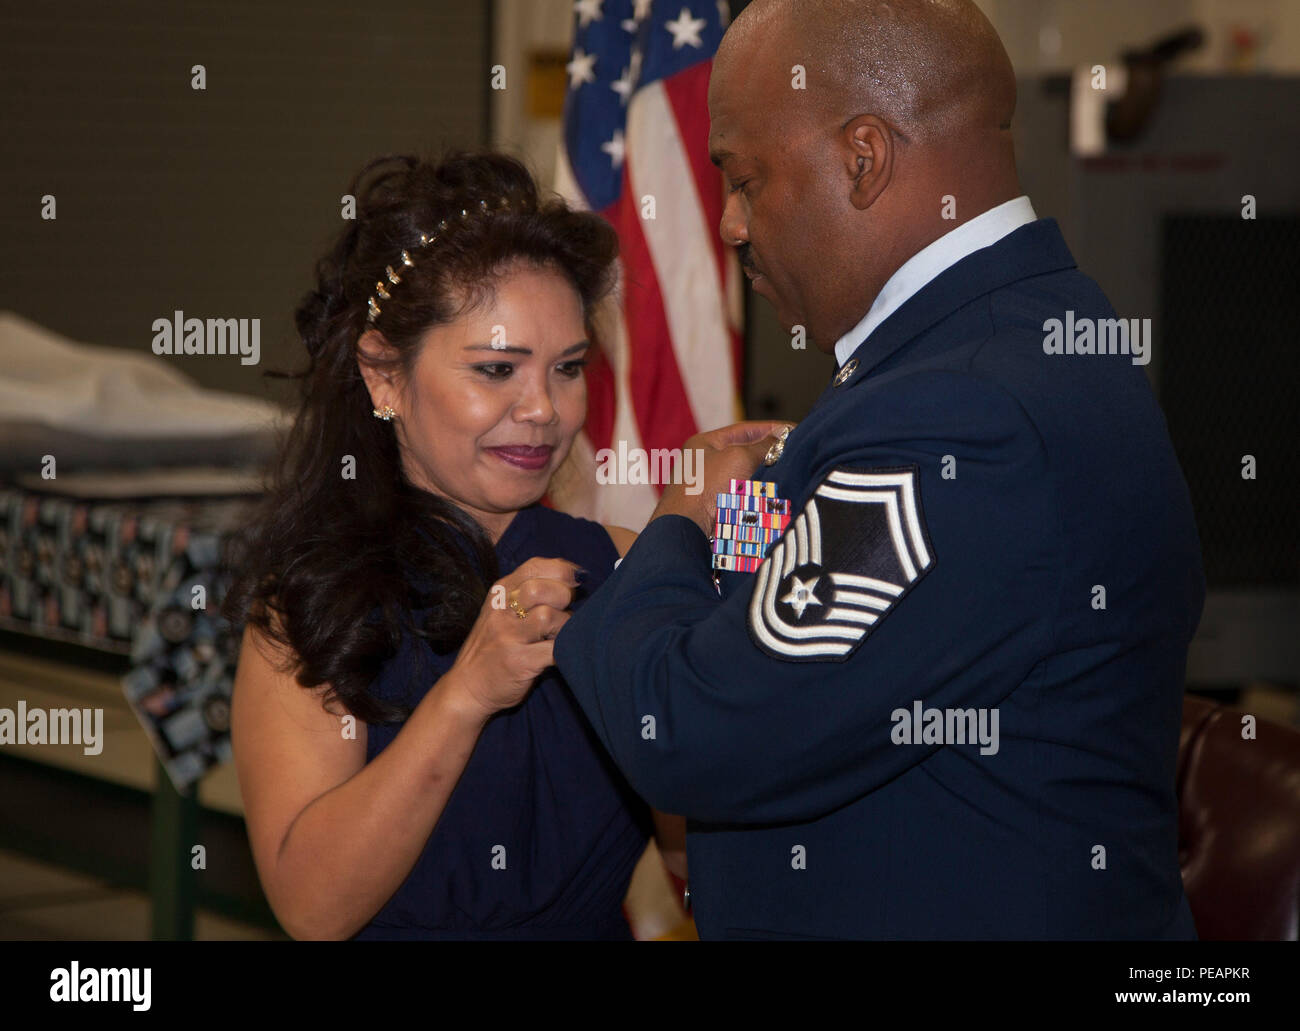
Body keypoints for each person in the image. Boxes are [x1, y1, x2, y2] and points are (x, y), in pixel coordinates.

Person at [554, 0, 1204, 939]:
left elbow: (694, 727)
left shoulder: (961, 412)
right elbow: (791, 607)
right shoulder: (1012, 338)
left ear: (864, 157)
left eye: (744, 178)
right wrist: (726, 530)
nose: (730, 225)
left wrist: (677, 525)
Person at [222, 151, 686, 940]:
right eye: (497, 369)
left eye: (567, 368)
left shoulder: (620, 570)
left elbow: (696, 856)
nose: (542, 409)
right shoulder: (312, 606)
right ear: (384, 376)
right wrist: (466, 693)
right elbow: (311, 906)